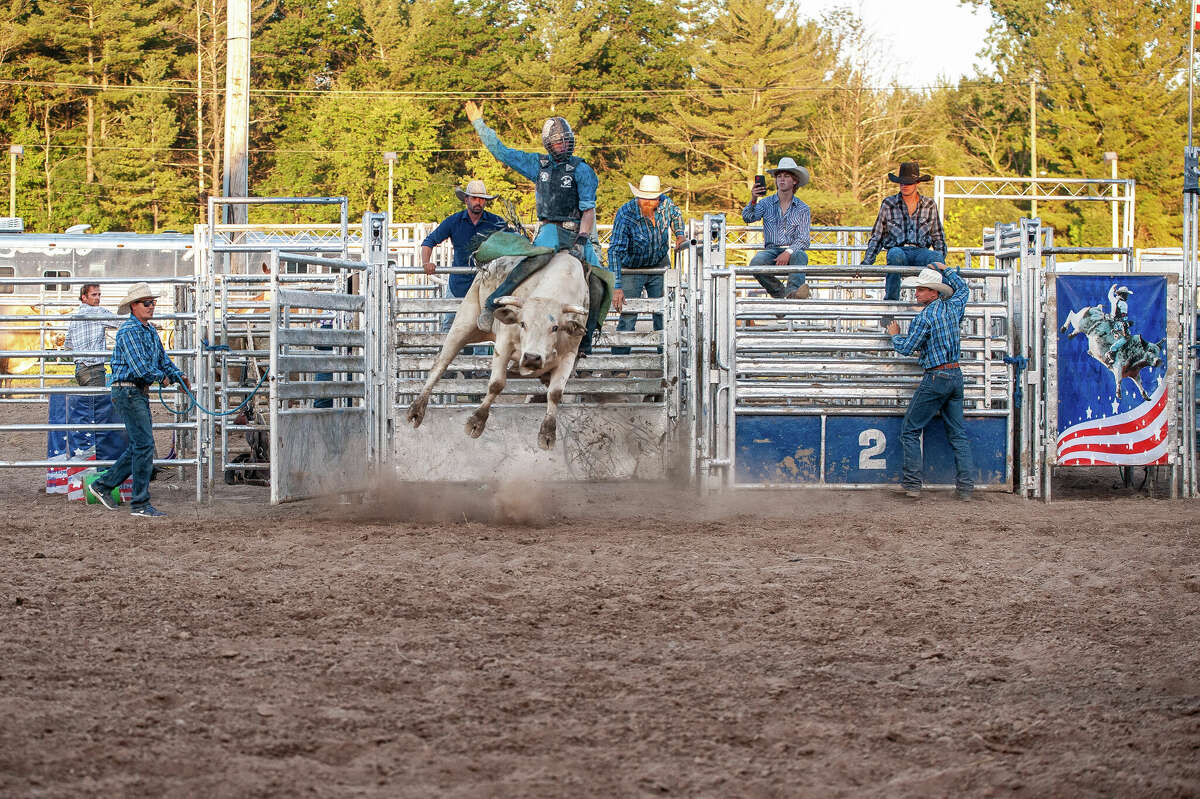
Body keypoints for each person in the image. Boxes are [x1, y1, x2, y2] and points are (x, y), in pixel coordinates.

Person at [464, 100, 609, 353]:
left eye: (565, 140)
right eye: (557, 141)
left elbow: (588, 210)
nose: (562, 145)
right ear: (548, 144)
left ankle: (586, 337)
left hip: (576, 229)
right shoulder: (538, 165)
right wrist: (479, 124)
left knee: (598, 280)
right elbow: (503, 152)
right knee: (536, 259)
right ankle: (492, 303)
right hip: (550, 228)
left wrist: (582, 239)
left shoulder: (582, 170)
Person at [85, 283, 187, 518]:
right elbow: (141, 368)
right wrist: (163, 378)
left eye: (153, 302)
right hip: (128, 391)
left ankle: (103, 485)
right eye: (147, 303)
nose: (151, 306)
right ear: (134, 306)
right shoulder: (130, 331)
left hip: (135, 392)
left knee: (140, 445)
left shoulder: (148, 331)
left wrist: (177, 374)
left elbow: (163, 360)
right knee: (143, 445)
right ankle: (139, 502)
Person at [886, 263, 974, 501]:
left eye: (922, 289)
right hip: (955, 374)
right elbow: (963, 289)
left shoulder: (924, 318)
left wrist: (895, 334)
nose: (917, 293)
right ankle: (965, 489)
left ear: (934, 293)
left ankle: (912, 484)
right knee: (958, 434)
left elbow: (907, 348)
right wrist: (946, 269)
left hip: (936, 377)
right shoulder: (953, 307)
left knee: (910, 430)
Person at [608, 175, 687, 356]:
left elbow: (676, 214)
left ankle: (666, 359)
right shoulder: (626, 214)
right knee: (628, 314)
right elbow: (615, 251)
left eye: (652, 199)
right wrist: (617, 286)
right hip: (632, 268)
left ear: (658, 199)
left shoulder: (666, 204)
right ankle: (620, 363)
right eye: (644, 199)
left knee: (663, 313)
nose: (648, 203)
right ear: (638, 197)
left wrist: (680, 234)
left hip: (659, 264)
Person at [420, 179, 507, 327]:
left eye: (482, 199)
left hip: (486, 284)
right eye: (474, 198)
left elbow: (513, 242)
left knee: (486, 326)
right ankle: (445, 343)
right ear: (466, 200)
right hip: (459, 284)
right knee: (450, 323)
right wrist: (426, 262)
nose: (478, 202)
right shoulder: (454, 221)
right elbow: (429, 242)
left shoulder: (496, 222)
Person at [862, 162, 948, 301]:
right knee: (895, 254)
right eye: (902, 182)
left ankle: (936, 303)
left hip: (921, 251)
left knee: (936, 258)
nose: (904, 185)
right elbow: (878, 235)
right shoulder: (888, 204)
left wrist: (942, 261)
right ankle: (891, 301)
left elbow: (937, 236)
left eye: (908, 183)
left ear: (917, 183)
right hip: (898, 249)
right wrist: (866, 263)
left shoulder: (929, 204)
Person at [742, 157, 812, 299]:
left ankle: (793, 292)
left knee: (800, 255)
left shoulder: (803, 208)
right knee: (756, 263)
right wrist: (753, 199)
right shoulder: (766, 203)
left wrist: (788, 252)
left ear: (794, 181)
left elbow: (804, 238)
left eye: (786, 176)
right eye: (779, 176)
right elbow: (748, 217)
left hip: (793, 250)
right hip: (771, 250)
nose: (782, 179)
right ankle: (784, 294)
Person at [64, 283, 121, 386]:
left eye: (99, 295)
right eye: (94, 295)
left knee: (88, 395)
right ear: (84, 297)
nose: (98, 298)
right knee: (97, 396)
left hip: (80, 369)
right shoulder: (99, 312)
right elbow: (120, 322)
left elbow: (68, 346)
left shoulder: (75, 318)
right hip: (94, 369)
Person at [1105, 284, 1131, 364]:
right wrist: (1127, 324)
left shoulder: (1113, 300)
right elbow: (1124, 317)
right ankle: (1113, 350)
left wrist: (1113, 289)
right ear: (1122, 294)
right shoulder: (1123, 304)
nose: (1127, 296)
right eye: (1126, 294)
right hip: (1118, 324)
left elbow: (1109, 295)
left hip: (1111, 321)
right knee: (1127, 337)